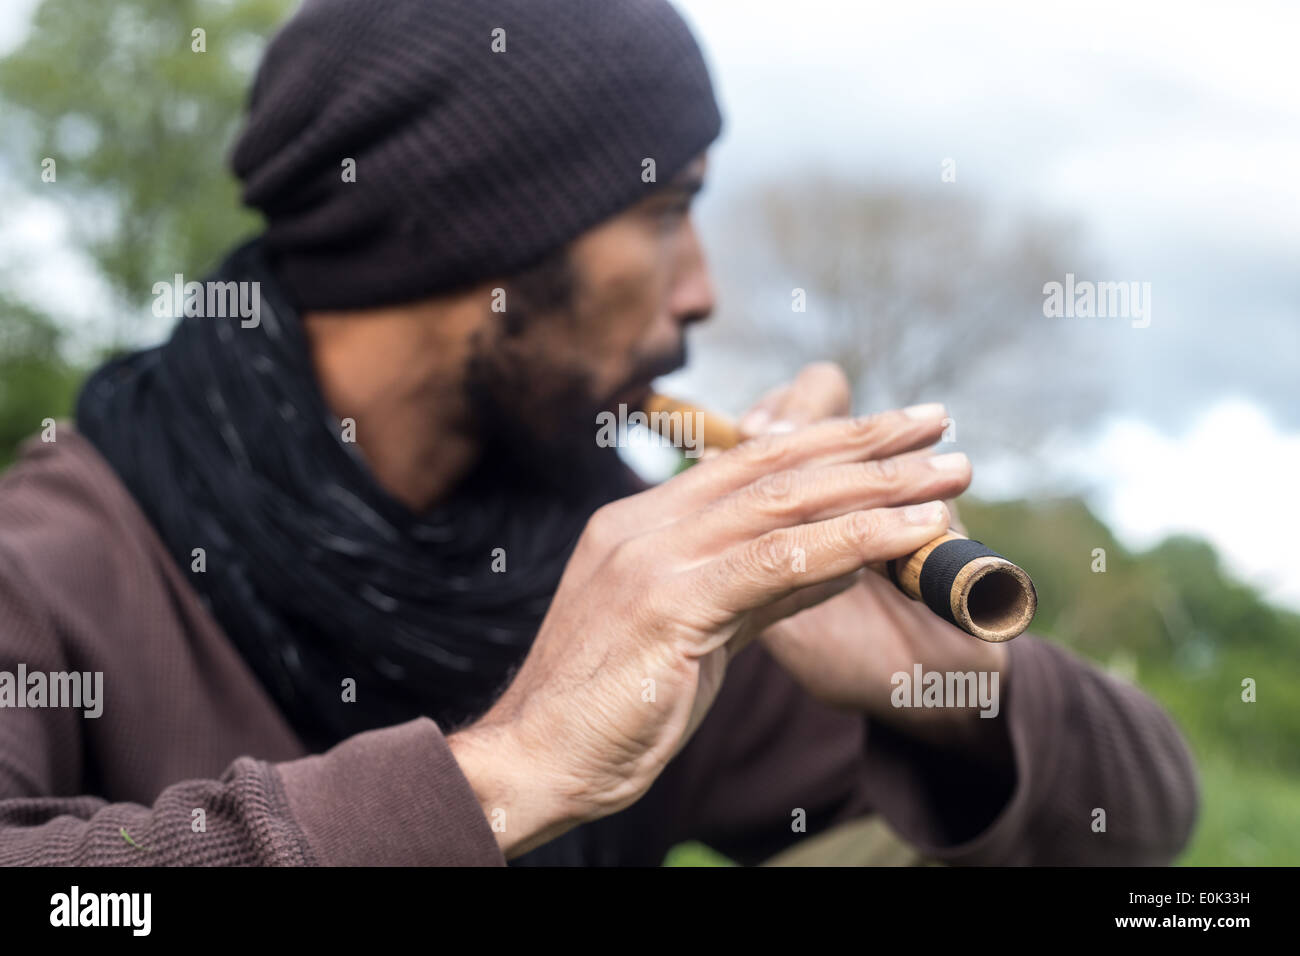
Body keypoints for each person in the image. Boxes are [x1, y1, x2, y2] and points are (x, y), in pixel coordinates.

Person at [0, 0, 1197, 866]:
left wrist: (949, 689)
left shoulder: (621, 558)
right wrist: (504, 774)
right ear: (480, 242)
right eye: (667, 211)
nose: (702, 291)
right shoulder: (53, 561)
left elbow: (1142, 826)